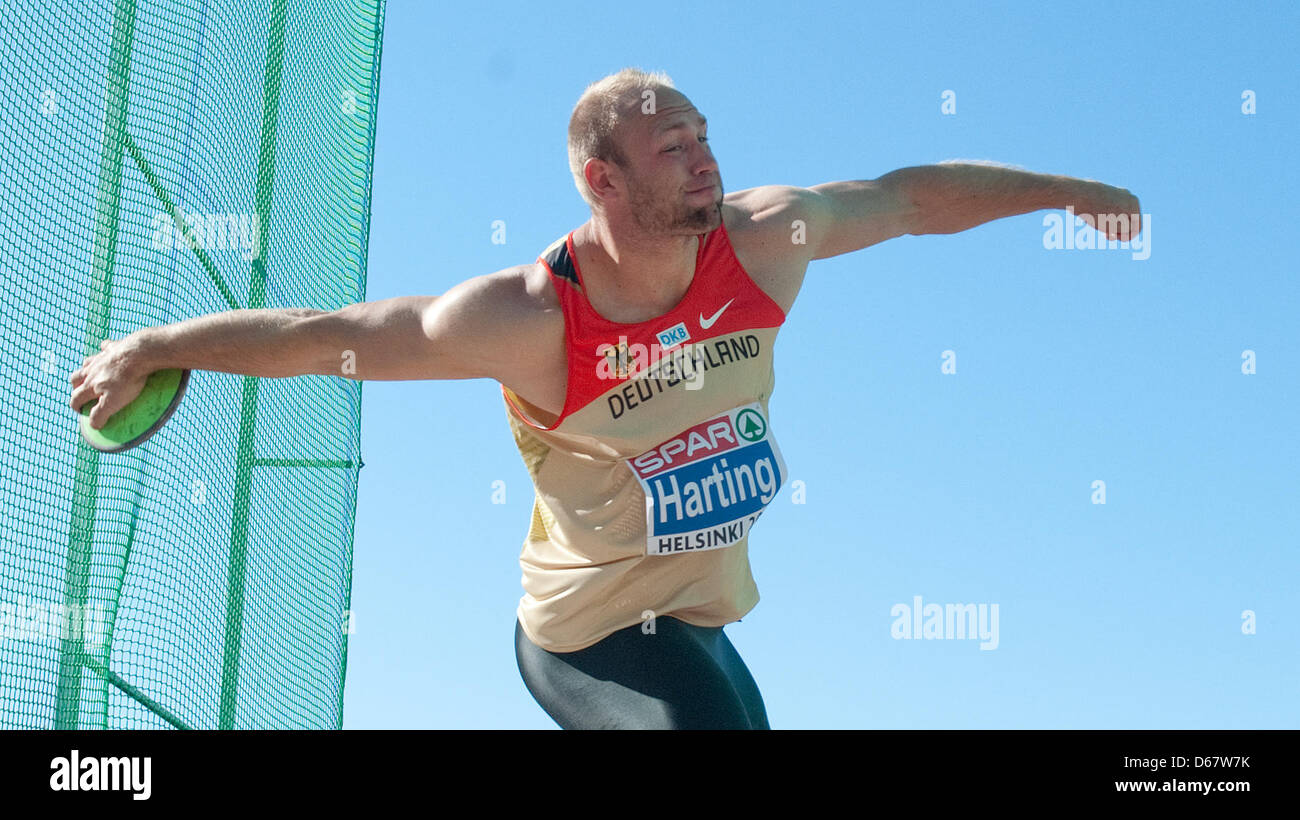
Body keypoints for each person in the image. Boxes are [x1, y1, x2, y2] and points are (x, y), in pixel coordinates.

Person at [68, 67, 1141, 729]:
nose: (705, 160)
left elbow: (909, 198)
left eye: (705, 135)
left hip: (699, 623)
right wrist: (164, 343)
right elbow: (332, 337)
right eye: (671, 147)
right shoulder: (530, 320)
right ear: (603, 181)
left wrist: (1067, 190)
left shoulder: (765, 241)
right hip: (588, 634)